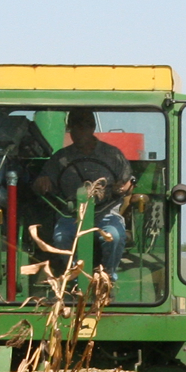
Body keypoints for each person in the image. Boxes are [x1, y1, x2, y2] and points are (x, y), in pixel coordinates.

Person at [32, 109, 134, 274]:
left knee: (115, 236)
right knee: (61, 237)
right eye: (73, 129)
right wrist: (42, 182)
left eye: (82, 128)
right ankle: (75, 275)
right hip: (71, 215)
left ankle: (108, 279)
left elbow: (129, 182)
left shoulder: (112, 155)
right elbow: (40, 182)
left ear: (92, 128)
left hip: (106, 214)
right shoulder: (60, 158)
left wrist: (123, 187)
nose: (77, 133)